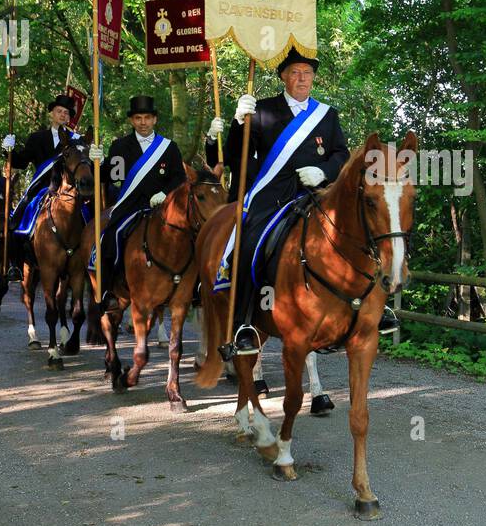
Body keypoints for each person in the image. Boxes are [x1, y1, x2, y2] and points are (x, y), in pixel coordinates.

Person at [214, 48, 397, 355]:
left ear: (313, 78)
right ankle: (244, 322)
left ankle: (376, 308)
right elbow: (237, 156)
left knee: (365, 231)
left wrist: (322, 170)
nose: (301, 79)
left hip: (317, 193)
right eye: (295, 73)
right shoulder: (261, 110)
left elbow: (341, 155)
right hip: (272, 196)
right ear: (283, 77)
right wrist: (238, 122)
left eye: (307, 73)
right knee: (249, 243)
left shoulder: (327, 115)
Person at [91, 95, 186, 306]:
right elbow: (111, 177)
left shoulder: (169, 147)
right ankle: (109, 289)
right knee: (111, 237)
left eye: (147, 118)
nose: (143, 122)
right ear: (131, 121)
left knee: (189, 234)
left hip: (161, 207)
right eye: (138, 118)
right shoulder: (119, 146)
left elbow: (180, 177)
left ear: (154, 120)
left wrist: (165, 192)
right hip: (129, 207)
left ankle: (191, 288)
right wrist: (97, 163)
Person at [2, 94, 82, 281]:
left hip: (69, 190)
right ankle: (16, 265)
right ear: (52, 114)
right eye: (59, 112)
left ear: (69, 118)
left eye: (66, 113)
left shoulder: (76, 140)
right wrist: (9, 151)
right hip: (41, 188)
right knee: (15, 219)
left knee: (91, 219)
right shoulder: (37, 138)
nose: (62, 115)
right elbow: (21, 163)